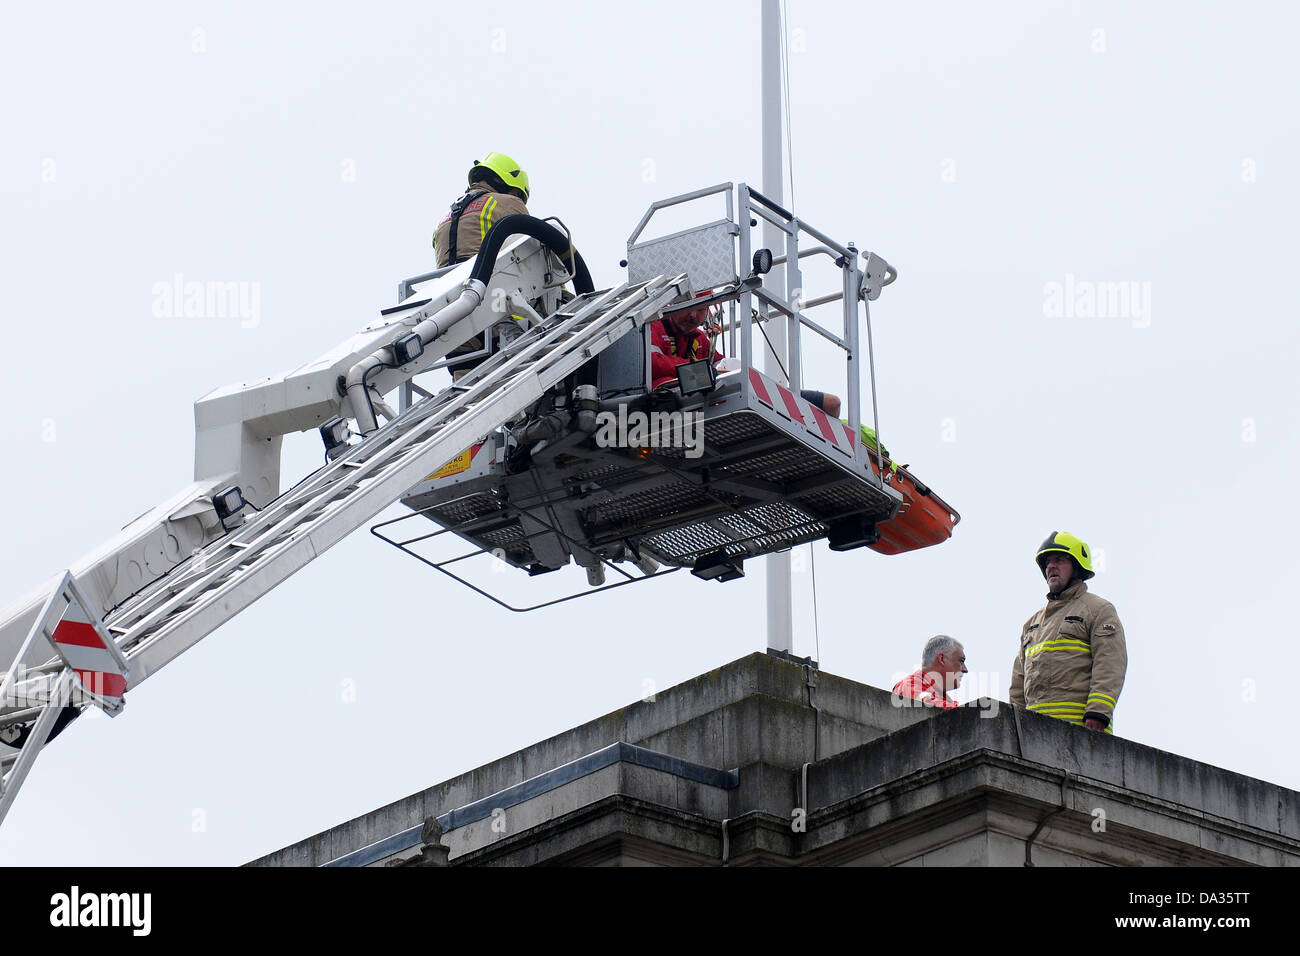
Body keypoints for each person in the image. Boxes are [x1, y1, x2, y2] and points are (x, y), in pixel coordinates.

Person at [648, 294, 843, 417]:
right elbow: (653, 366)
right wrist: (701, 372)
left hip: (700, 405)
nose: (693, 316)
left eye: (700, 310)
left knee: (831, 403)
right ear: (675, 303)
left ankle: (797, 399)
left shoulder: (700, 339)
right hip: (671, 404)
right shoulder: (653, 326)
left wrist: (718, 370)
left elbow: (721, 366)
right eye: (689, 307)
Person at [1010, 531, 1127, 733]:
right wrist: (1014, 726)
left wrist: (1098, 712)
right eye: (1047, 562)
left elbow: (1110, 663)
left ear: (1077, 567)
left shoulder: (1099, 610)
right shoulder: (1032, 623)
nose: (1051, 566)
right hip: (1033, 734)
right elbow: (1018, 683)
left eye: (1059, 560)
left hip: (1081, 729)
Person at [433, 153, 531, 380]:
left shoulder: (445, 219)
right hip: (494, 314)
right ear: (511, 185)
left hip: (452, 323)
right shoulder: (508, 203)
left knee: (469, 398)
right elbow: (534, 252)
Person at [892, 635, 967, 709]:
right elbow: (929, 706)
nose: (965, 669)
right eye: (961, 661)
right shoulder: (909, 685)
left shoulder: (944, 699)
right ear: (942, 659)